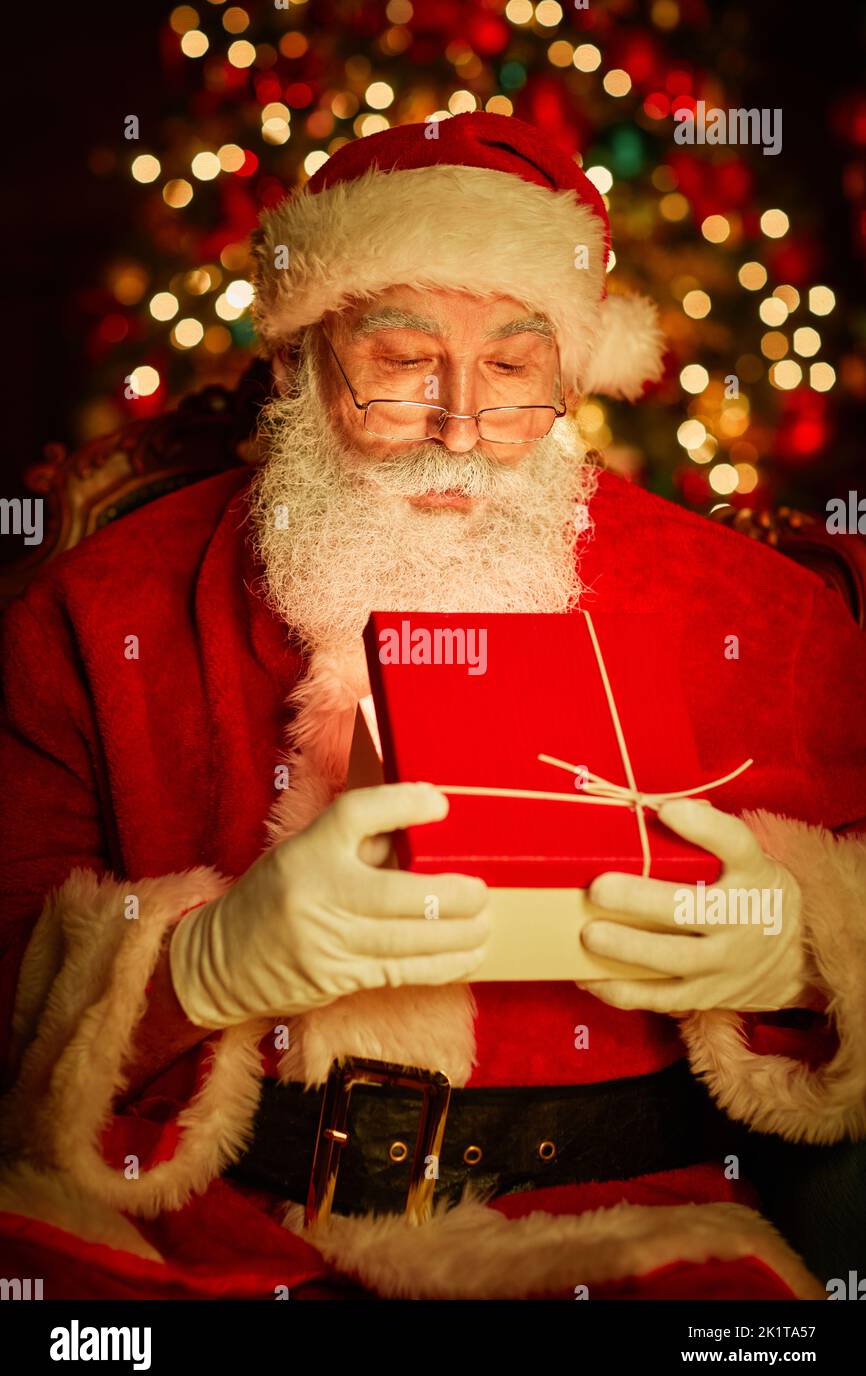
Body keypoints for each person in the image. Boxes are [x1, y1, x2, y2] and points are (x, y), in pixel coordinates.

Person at [0, 113, 864, 1302]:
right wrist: (192, 966)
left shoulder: (759, 612)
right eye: (402, 364)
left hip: (618, 1226)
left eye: (512, 371)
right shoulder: (100, 611)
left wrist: (810, 943)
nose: (460, 430)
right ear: (307, 355)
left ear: (570, 372)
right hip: (202, 1226)